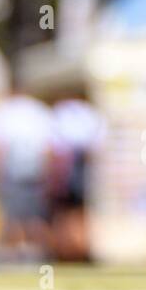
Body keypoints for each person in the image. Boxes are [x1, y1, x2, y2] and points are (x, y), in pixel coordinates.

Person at [0, 92, 56, 258]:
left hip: (12, 175)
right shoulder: (38, 110)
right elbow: (49, 147)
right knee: (33, 218)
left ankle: (13, 256)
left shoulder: (2, 112)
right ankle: (35, 255)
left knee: (12, 219)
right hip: (34, 174)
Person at [48, 95, 103, 261]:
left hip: (69, 167)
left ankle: (71, 251)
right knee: (75, 213)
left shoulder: (60, 114)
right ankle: (73, 251)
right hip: (76, 167)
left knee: (68, 213)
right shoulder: (89, 114)